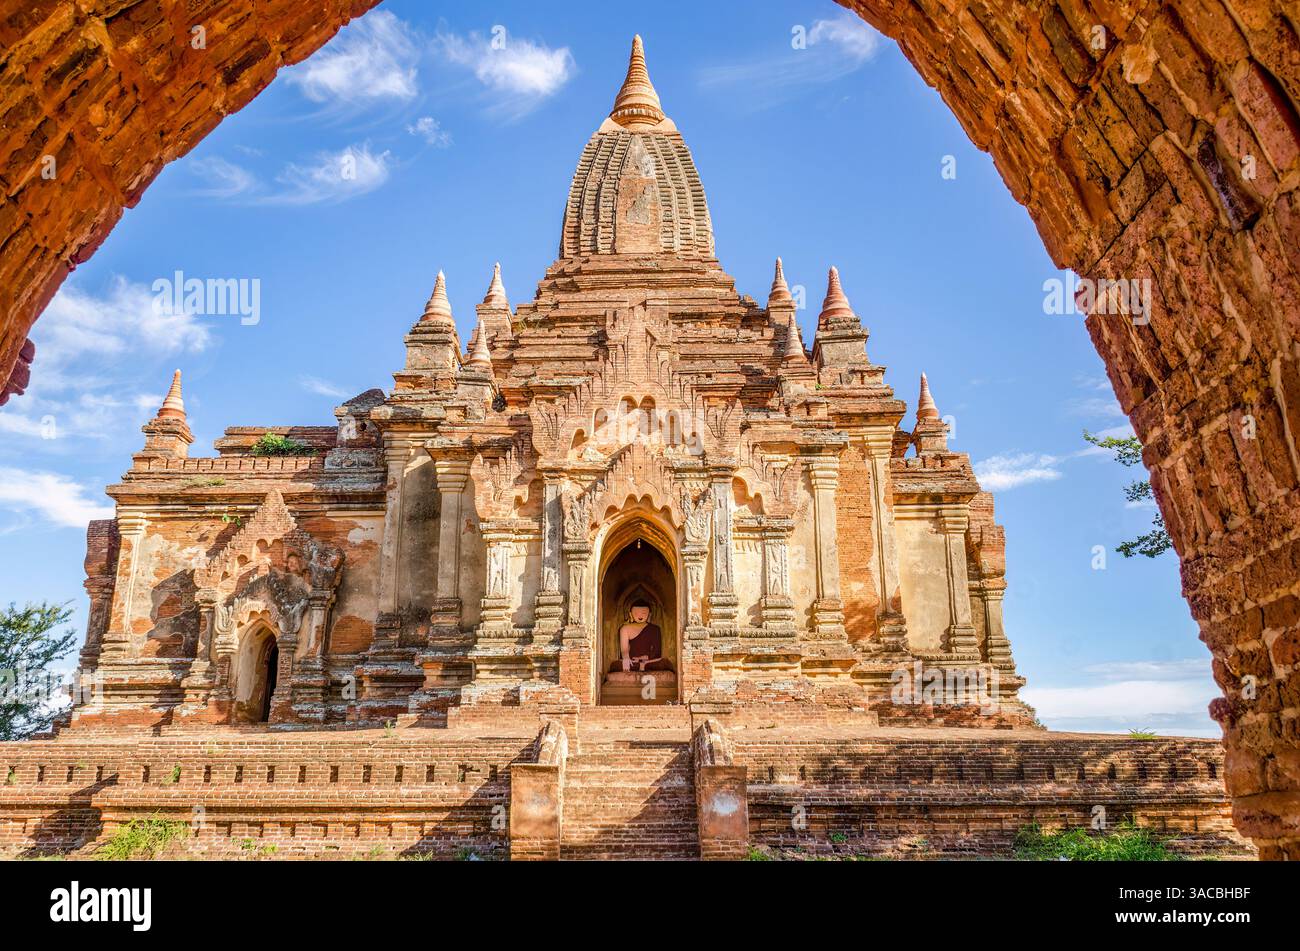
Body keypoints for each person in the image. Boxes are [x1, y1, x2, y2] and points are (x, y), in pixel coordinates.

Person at [610, 598, 673, 672]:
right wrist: (626, 658)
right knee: (617, 665)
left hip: (649, 661)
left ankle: (643, 665)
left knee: (664, 663)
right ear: (630, 614)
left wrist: (643, 658)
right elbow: (624, 650)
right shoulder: (625, 628)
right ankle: (640, 665)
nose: (640, 616)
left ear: (649, 614)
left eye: (643, 613)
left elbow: (657, 652)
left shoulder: (655, 629)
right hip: (632, 662)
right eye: (636, 613)